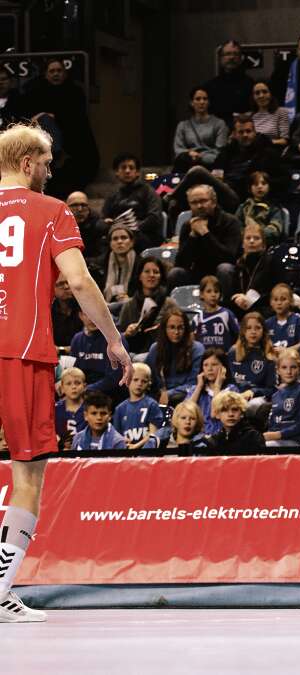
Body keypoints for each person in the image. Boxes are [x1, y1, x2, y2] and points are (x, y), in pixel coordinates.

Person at [0, 123, 133, 623]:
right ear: (29, 163)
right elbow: (77, 279)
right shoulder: (51, 211)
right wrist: (114, 341)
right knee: (28, 473)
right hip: (21, 351)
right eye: (49, 164)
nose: (51, 173)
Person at [21, 58, 100, 196]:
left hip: (71, 139)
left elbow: (77, 117)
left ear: (65, 73)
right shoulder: (36, 92)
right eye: (52, 71)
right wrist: (43, 116)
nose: (56, 74)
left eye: (59, 71)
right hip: (46, 142)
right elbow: (29, 116)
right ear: (45, 74)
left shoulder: (74, 92)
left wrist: (57, 116)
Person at [170, 184, 241, 296]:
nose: (199, 206)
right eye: (194, 202)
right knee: (176, 273)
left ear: (214, 202)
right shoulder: (187, 226)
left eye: (203, 201)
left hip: (222, 274)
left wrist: (205, 233)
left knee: (225, 268)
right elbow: (180, 263)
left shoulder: (231, 222)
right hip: (198, 274)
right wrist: (192, 236)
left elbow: (229, 257)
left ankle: (226, 310)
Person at [101, 153, 165, 250]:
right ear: (117, 172)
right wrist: (106, 222)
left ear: (137, 172)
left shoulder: (148, 191)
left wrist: (130, 230)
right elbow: (104, 217)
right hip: (118, 235)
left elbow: (154, 218)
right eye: (123, 168)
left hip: (144, 236)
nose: (127, 171)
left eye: (131, 168)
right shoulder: (113, 195)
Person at [213, 115, 284, 201]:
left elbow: (283, 179)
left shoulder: (268, 152)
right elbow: (216, 171)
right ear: (234, 134)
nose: (245, 135)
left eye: (248, 131)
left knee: (198, 171)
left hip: (244, 196)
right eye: (241, 132)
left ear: (255, 132)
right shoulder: (227, 151)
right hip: (223, 190)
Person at [116, 256, 174, 353]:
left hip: (160, 352)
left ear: (161, 277)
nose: (151, 275)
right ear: (140, 276)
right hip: (132, 352)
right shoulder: (129, 305)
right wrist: (126, 333)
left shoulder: (169, 304)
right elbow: (118, 336)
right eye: (147, 271)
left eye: (156, 272)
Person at [70, 311, 129, 397]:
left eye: (95, 313)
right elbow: (73, 373)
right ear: (81, 316)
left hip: (110, 395)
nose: (91, 319)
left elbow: (115, 378)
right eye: (87, 314)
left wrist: (87, 389)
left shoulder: (116, 340)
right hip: (82, 393)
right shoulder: (77, 339)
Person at [264, 348, 300, 446]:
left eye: (293, 367)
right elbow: (272, 424)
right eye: (284, 367)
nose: (289, 371)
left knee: (268, 446)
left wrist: (279, 435)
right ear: (278, 370)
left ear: (299, 369)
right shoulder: (276, 395)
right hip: (276, 439)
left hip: (296, 441)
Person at [173, 87, 229, 172]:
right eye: (198, 99)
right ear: (192, 103)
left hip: (211, 163)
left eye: (205, 99)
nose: (202, 102)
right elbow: (178, 149)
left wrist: (200, 156)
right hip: (188, 162)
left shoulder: (219, 123)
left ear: (208, 102)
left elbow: (220, 150)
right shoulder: (183, 126)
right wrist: (189, 153)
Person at [185, 347, 239, 436]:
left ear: (223, 368)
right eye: (205, 365)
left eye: (214, 364)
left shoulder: (231, 390)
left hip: (221, 436)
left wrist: (217, 386)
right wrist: (199, 387)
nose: (209, 369)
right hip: (199, 436)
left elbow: (215, 414)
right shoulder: (195, 389)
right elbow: (186, 412)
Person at [203, 40, 255, 127]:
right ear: (220, 58)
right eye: (227, 54)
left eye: (235, 54)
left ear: (241, 58)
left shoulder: (251, 84)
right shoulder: (210, 87)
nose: (231, 57)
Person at [229, 311, 277, 402]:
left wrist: (253, 391)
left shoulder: (269, 356)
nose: (253, 332)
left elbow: (272, 389)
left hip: (257, 398)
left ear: (264, 331)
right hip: (234, 395)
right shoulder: (233, 353)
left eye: (257, 328)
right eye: (248, 328)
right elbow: (228, 381)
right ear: (243, 331)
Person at [113, 362, 163, 450]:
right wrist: (123, 441)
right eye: (135, 380)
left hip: (146, 453)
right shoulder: (120, 409)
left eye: (143, 381)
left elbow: (153, 435)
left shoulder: (152, 405)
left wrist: (136, 446)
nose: (139, 384)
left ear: (149, 384)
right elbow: (116, 436)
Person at [197, 390, 265, 452]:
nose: (230, 414)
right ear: (217, 415)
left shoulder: (253, 436)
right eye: (224, 410)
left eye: (235, 409)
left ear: (242, 413)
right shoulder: (213, 440)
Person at [265, 283, 300, 348]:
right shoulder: (267, 323)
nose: (279, 303)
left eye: (283, 299)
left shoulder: (298, 319)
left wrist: (287, 351)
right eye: (275, 300)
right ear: (271, 302)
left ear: (291, 301)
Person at [250, 81, 291, 147]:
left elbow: (284, 141)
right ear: (253, 97)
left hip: (272, 151)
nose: (261, 96)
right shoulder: (250, 116)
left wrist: (267, 142)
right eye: (257, 93)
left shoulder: (281, 112)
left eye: (265, 92)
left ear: (271, 94)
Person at [54, 367, 87, 449]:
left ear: (84, 386)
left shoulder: (90, 408)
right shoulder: (55, 409)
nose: (73, 387)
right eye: (69, 384)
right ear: (62, 388)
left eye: (77, 383)